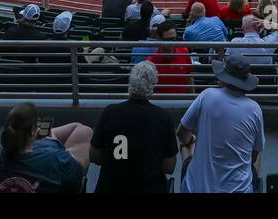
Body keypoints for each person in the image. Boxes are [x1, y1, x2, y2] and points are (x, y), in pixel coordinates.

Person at [177, 54, 264, 193]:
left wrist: (188, 142)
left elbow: (181, 133)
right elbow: (254, 155)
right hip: (239, 190)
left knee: (186, 142)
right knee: (259, 151)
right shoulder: (255, 109)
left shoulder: (207, 95)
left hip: (196, 188)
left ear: (223, 78)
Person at [90, 62, 178, 193]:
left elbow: (94, 156)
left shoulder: (110, 112)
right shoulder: (164, 118)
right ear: (153, 85)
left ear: (130, 82)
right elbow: (169, 167)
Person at [0, 103, 91, 193]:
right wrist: (53, 142)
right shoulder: (57, 160)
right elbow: (77, 180)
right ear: (34, 131)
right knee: (83, 131)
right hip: (50, 151)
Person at [147, 21, 194, 95]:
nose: (172, 43)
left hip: (183, 101)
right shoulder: (151, 62)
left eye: (174, 39)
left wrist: (192, 98)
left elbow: (189, 77)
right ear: (159, 39)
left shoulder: (184, 52)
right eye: (168, 40)